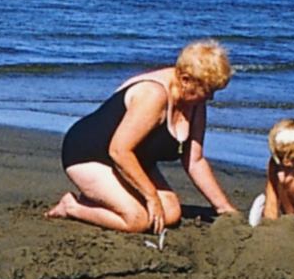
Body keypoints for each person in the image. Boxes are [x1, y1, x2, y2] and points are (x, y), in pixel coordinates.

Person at [48, 39, 239, 234]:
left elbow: (194, 159)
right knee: (138, 220)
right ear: (185, 79)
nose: (211, 98)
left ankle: (105, 197)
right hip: (91, 153)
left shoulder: (195, 102)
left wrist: (224, 208)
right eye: (207, 91)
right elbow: (119, 151)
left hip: (133, 158)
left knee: (171, 214)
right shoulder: (153, 95)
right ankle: (72, 206)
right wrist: (151, 196)